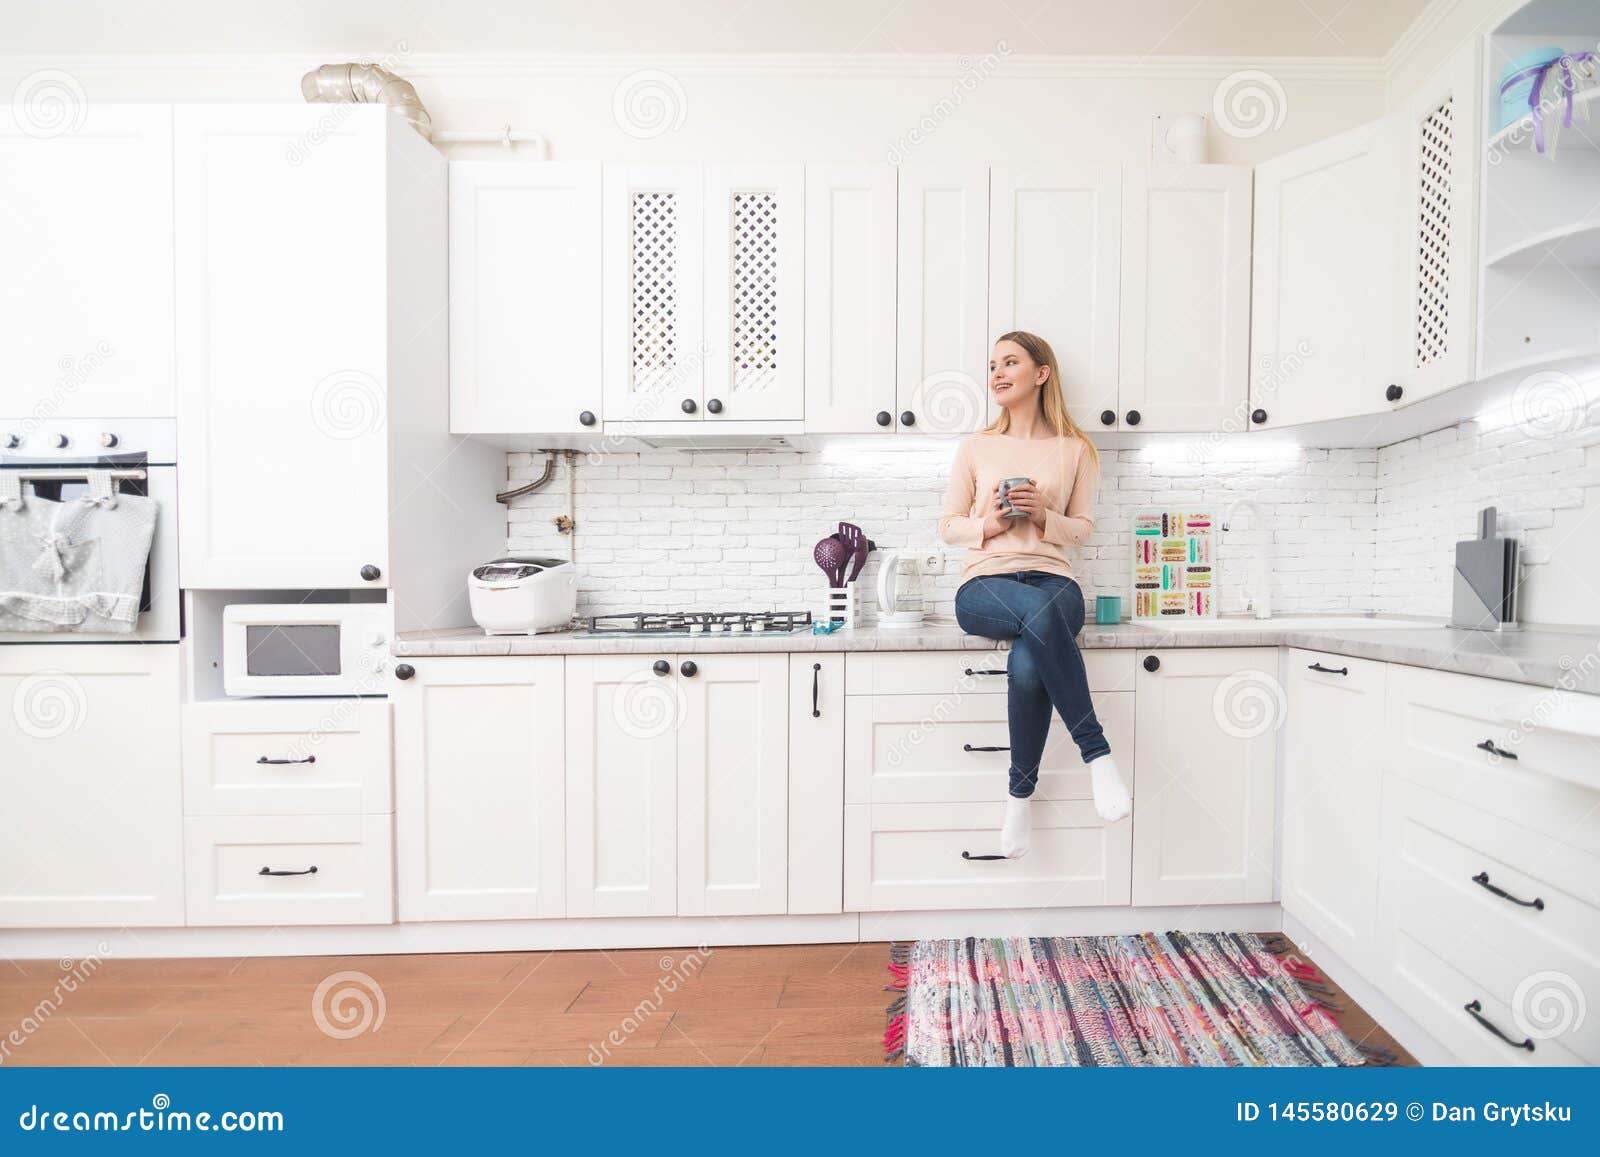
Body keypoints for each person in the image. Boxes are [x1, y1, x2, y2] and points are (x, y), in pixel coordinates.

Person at [938, 330, 1131, 859]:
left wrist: (1045, 515)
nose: (997, 372)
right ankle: (1098, 755)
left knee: (1028, 665)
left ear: (1041, 373)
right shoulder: (976, 446)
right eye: (992, 364)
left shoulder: (1075, 450)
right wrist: (992, 521)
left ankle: (1017, 798)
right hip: (985, 583)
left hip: (1054, 581)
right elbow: (949, 526)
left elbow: (1083, 528)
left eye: (1010, 362)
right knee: (1039, 619)